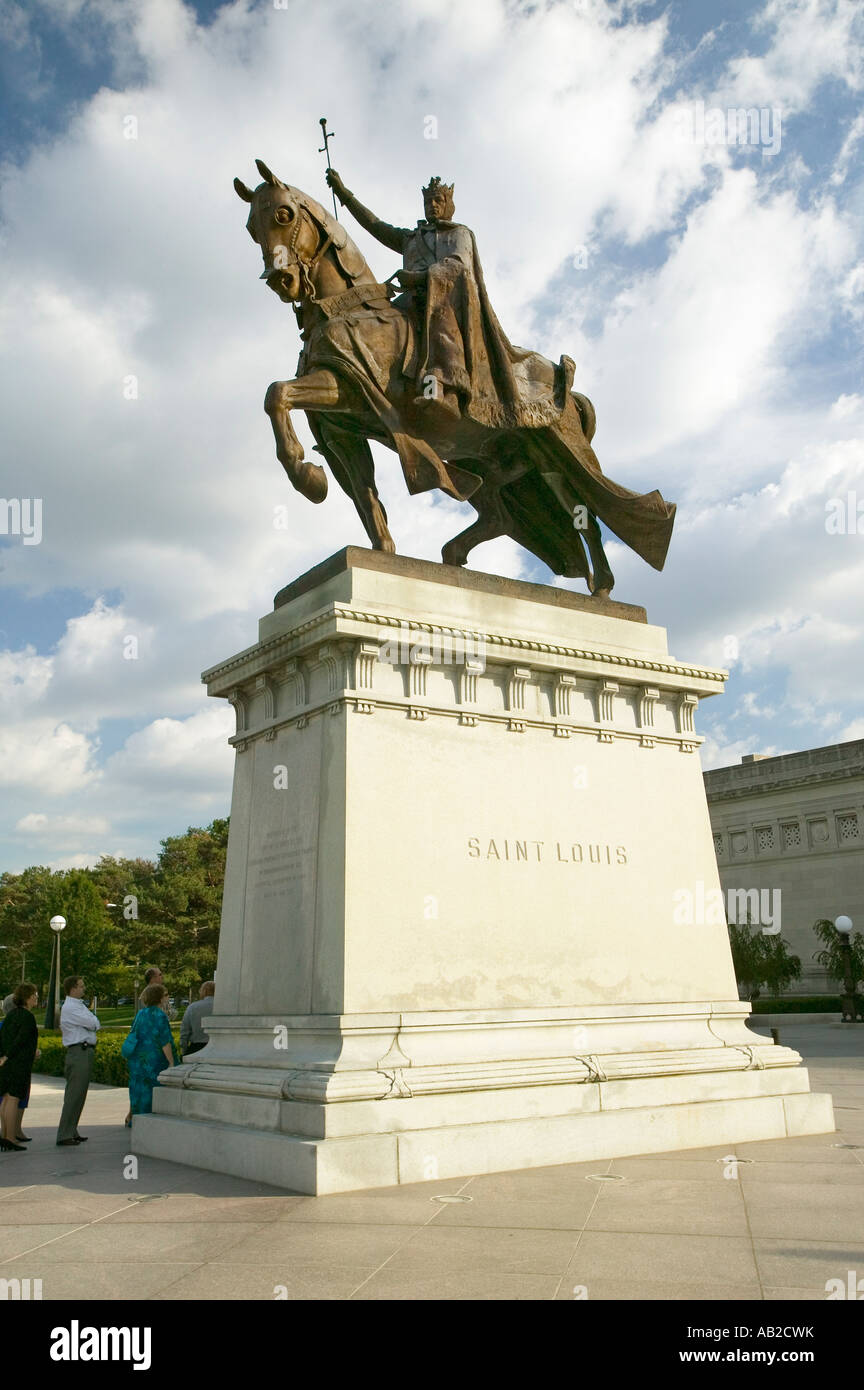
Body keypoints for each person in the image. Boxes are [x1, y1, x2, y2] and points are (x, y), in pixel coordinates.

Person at [56, 976, 101, 1147]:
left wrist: (93, 1023)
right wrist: (93, 1023)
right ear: (73, 988)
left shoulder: (79, 1005)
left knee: (79, 1094)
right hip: (78, 1051)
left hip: (85, 1051)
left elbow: (95, 1022)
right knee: (74, 1094)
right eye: (81, 986)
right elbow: (92, 1023)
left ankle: (72, 1130)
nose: (84, 989)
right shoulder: (70, 1008)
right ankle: (64, 1133)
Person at [126, 983, 179, 1120]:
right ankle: (150, 1121)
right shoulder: (160, 1015)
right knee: (153, 1090)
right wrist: (172, 1062)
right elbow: (164, 1041)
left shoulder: (140, 1013)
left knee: (139, 1090)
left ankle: (137, 1119)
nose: (168, 998)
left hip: (138, 1059)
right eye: (166, 995)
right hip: (155, 1061)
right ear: (160, 998)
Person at [0, 983, 40, 1152]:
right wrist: (8, 1056)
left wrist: (4, 1057)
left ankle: (5, 1136)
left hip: (8, 1064)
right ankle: (10, 1138)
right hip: (19, 1063)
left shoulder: (11, 1016)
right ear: (29, 997)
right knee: (13, 1099)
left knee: (6, 1099)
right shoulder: (27, 1017)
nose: (37, 998)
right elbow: (21, 1039)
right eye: (35, 995)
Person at [0, 993, 31, 1142]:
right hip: (14, 1066)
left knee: (8, 1100)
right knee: (12, 1099)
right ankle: (11, 1135)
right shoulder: (13, 1024)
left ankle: (10, 1133)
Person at [180, 982, 214, 1057]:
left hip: (196, 1048)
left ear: (204, 991)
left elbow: (184, 1031)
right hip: (218, 1048)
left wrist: (184, 1050)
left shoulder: (192, 1007)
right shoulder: (224, 1008)